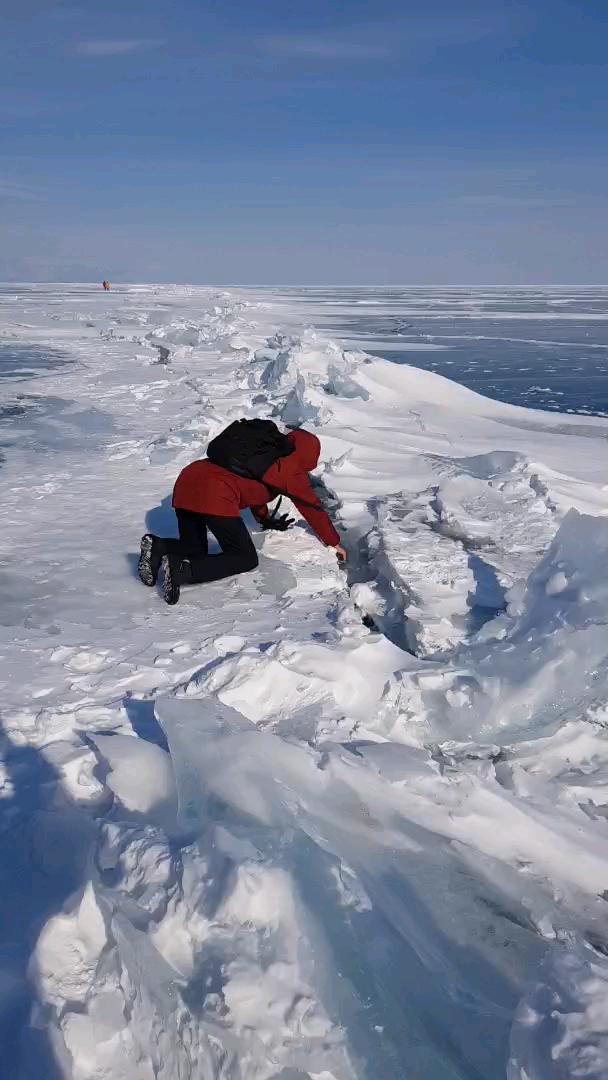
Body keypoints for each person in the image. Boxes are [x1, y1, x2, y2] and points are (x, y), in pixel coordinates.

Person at [139, 427, 346, 605]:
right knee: (244, 558)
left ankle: (159, 547)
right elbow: (311, 506)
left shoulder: (263, 454)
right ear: (309, 456)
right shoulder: (290, 469)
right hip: (215, 493)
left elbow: (255, 490)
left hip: (188, 480)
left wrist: (264, 519)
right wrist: (333, 542)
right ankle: (181, 570)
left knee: (195, 549)